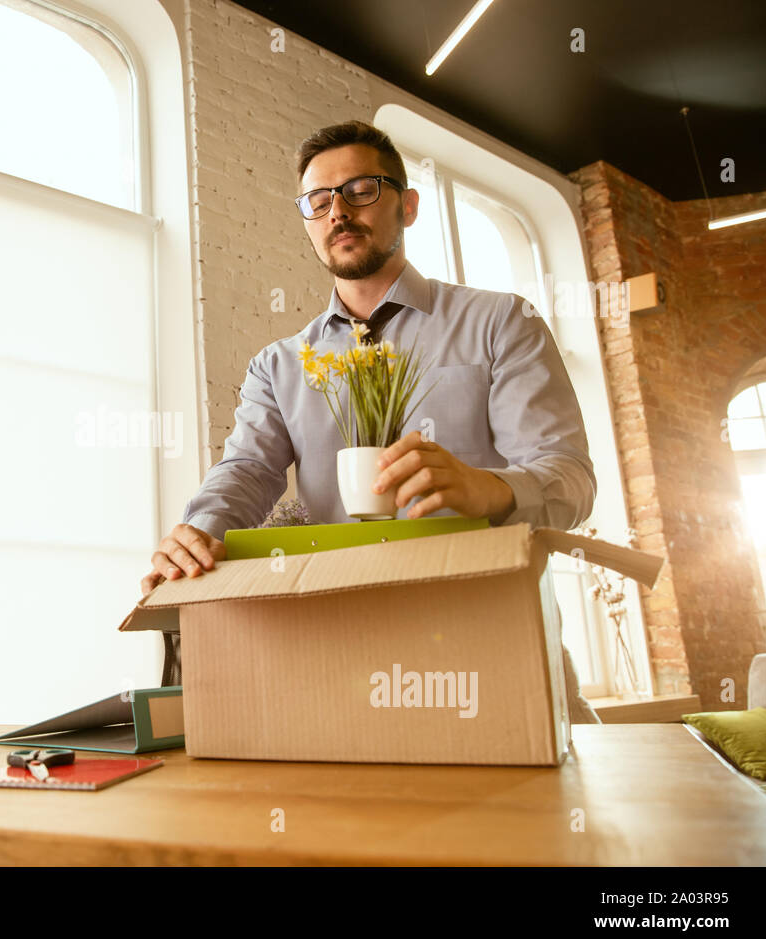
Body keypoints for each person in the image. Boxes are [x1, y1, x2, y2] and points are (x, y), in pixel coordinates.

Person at [141, 120, 601, 722]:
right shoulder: (278, 366)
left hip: (491, 639)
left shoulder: (500, 323)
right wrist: (199, 533)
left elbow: (569, 478)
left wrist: (489, 488)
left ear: (407, 206)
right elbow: (248, 470)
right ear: (307, 219)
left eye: (361, 191)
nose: (338, 212)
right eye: (319, 200)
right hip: (342, 653)